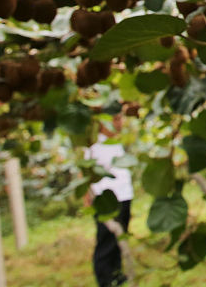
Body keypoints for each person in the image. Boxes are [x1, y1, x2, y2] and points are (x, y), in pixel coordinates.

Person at [84, 110, 133, 287]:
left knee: (119, 238)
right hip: (105, 200)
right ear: (102, 123)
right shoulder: (93, 146)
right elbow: (86, 174)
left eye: (120, 118)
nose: (119, 123)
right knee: (106, 240)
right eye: (115, 119)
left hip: (124, 196)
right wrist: (88, 197)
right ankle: (104, 279)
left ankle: (116, 273)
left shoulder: (116, 143)